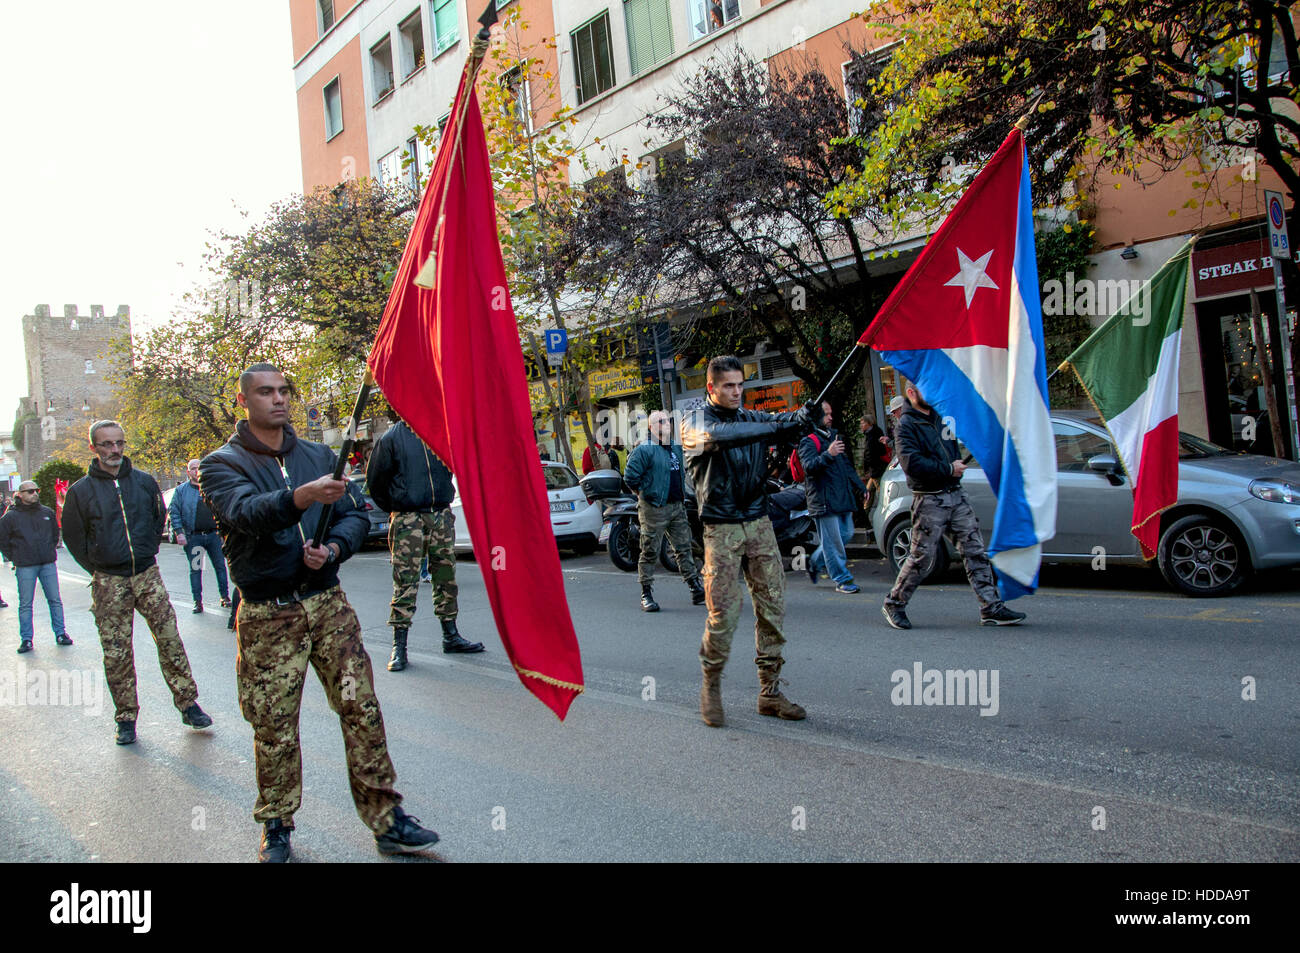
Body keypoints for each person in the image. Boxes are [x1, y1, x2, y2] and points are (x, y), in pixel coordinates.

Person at [200, 364, 439, 862]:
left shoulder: (319, 455)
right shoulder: (220, 464)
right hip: (269, 614)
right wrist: (300, 497)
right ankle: (276, 823)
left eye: (284, 391)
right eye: (266, 392)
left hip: (327, 605)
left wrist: (332, 549)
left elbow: (354, 513)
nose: (279, 400)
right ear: (244, 401)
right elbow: (244, 513)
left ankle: (386, 818)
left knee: (361, 709)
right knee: (274, 725)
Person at [682, 355, 819, 727]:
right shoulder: (694, 425)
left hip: (758, 521)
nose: (736, 392)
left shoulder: (753, 417)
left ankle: (769, 693)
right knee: (723, 615)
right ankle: (711, 685)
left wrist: (801, 419)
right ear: (711, 388)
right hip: (721, 528)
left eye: (740, 384)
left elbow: (780, 425)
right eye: (728, 385)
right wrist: (776, 427)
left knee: (772, 605)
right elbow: (720, 438)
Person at [62, 421, 212, 745]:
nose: (114, 450)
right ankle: (126, 717)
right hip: (109, 581)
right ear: (94, 448)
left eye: (119, 443)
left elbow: (158, 516)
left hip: (147, 574)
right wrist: (99, 566)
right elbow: (73, 537)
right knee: (116, 652)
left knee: (169, 637)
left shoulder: (144, 482)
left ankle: (188, 704)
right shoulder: (80, 492)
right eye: (106, 445)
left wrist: (146, 550)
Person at [881, 381, 1027, 630]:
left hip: (955, 494)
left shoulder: (942, 416)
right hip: (929, 498)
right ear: (911, 393)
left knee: (975, 550)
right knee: (921, 557)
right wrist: (949, 468)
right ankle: (894, 603)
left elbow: (962, 437)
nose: (931, 393)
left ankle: (990, 607)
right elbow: (911, 464)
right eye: (924, 389)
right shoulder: (905, 425)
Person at [366, 415, 483, 672]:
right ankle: (399, 646)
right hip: (409, 519)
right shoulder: (391, 438)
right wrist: (400, 507)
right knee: (405, 582)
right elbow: (375, 484)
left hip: (440, 514)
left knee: (446, 577)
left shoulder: (441, 432)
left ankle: (450, 635)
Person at [624, 410, 705, 612]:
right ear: (651, 427)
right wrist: (647, 494)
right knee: (650, 550)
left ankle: (695, 586)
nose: (665, 424)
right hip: (654, 508)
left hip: (677, 506)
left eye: (667, 421)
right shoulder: (644, 450)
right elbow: (630, 477)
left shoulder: (676, 448)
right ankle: (646, 593)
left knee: (684, 547)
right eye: (660, 422)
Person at [799, 402, 866, 593]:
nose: (830, 417)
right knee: (834, 543)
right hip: (823, 500)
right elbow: (809, 468)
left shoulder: (834, 438)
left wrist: (860, 487)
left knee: (846, 534)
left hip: (841, 497)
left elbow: (845, 467)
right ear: (817, 417)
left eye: (831, 414)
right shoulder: (808, 441)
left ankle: (815, 561)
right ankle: (842, 579)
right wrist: (828, 454)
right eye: (826, 414)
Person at [0, 480, 70, 653]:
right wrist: (15, 557)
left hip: (47, 563)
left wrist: (48, 550)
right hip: (25, 566)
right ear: (20, 494)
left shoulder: (47, 512)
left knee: (55, 600)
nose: (34, 493)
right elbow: (3, 539)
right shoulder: (11, 517)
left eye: (36, 490)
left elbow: (55, 535)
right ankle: (26, 639)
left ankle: (61, 634)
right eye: (30, 491)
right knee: (25, 603)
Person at [168, 458, 232, 615]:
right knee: (196, 569)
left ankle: (225, 597)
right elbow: (174, 511)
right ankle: (198, 602)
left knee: (220, 567)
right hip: (195, 538)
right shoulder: (182, 491)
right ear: (188, 471)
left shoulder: (211, 487)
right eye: (193, 468)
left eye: (199, 468)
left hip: (213, 537)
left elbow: (223, 509)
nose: (196, 471)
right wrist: (179, 532)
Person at [860, 413, 890, 516]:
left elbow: (871, 453)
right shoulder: (873, 433)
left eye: (863, 423)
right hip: (875, 469)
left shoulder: (873, 434)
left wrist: (868, 469)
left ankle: (887, 513)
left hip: (876, 469)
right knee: (868, 491)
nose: (861, 425)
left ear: (868, 423)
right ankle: (864, 515)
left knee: (881, 493)